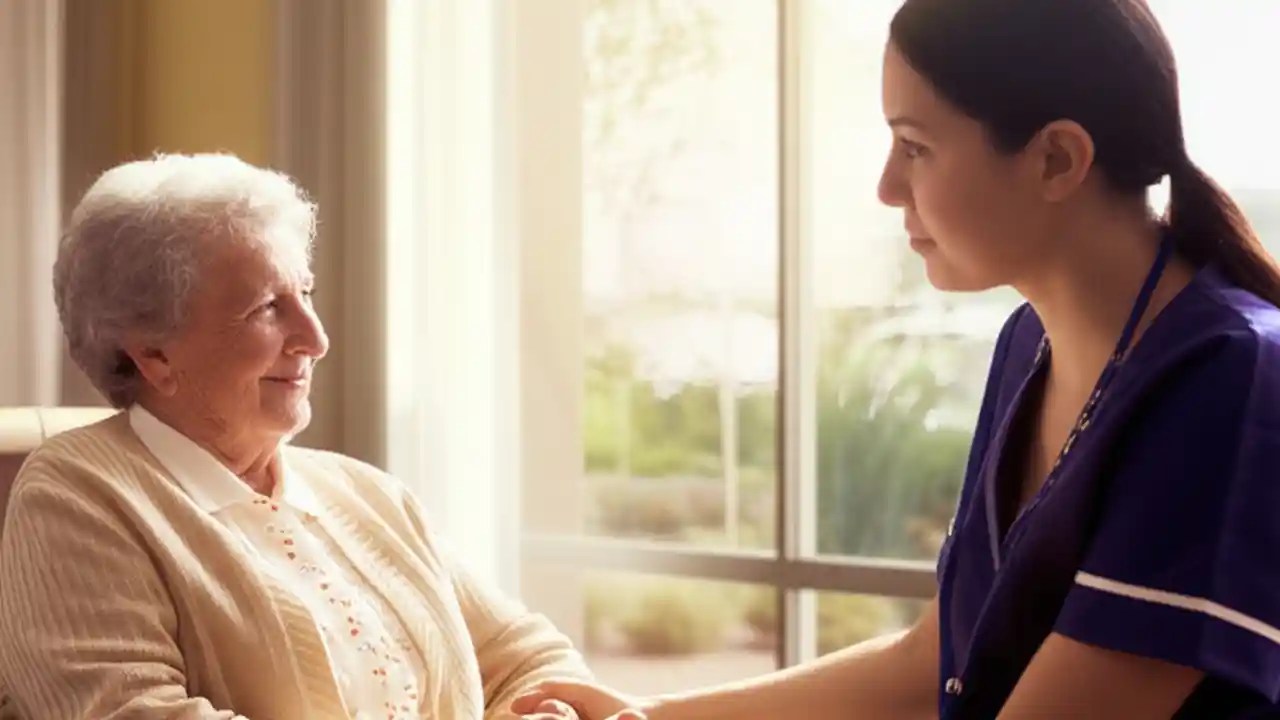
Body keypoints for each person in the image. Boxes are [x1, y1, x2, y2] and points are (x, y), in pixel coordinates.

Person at [511, 0, 1280, 717]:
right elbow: (939, 649)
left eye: (914, 146)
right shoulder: (1028, 346)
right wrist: (641, 714)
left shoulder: (1229, 379)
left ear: (1055, 159)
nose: (885, 187)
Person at [0, 153, 591, 719]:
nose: (314, 336)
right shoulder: (77, 495)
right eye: (266, 307)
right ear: (153, 353)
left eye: (304, 294)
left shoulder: (366, 494)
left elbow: (532, 659)